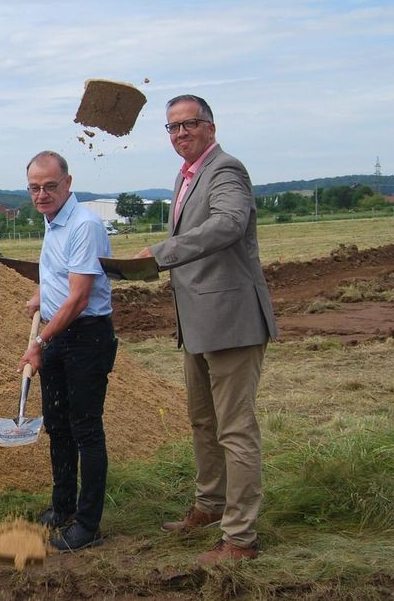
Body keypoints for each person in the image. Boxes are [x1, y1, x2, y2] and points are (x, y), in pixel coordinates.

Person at [135, 95, 277, 565]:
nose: (179, 134)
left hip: (232, 322)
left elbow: (229, 224)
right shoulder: (186, 175)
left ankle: (240, 538)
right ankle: (211, 506)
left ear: (210, 127)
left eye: (188, 124)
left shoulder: (225, 170)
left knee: (235, 430)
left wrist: (163, 252)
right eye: (172, 128)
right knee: (202, 422)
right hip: (197, 324)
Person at [18, 151, 117, 553]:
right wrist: (43, 293)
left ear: (68, 183)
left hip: (86, 336)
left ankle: (88, 524)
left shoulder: (84, 224)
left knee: (85, 428)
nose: (42, 195)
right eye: (35, 188)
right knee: (58, 425)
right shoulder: (53, 221)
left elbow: (78, 298)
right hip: (59, 333)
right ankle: (63, 507)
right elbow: (62, 275)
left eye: (50, 186)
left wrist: (39, 342)